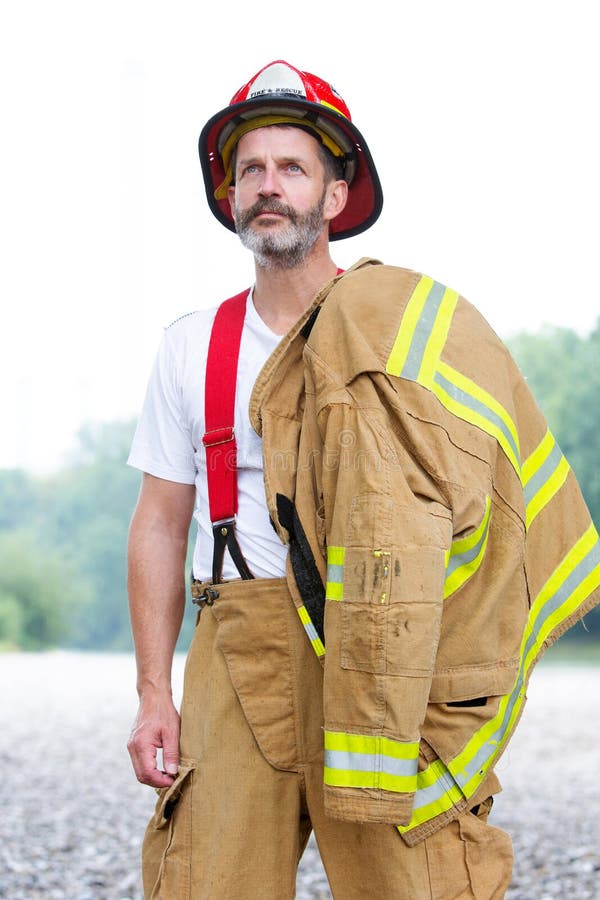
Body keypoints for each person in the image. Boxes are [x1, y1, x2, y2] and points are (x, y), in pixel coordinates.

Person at [126, 60, 600, 899]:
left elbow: (485, 481)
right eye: (251, 172)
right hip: (238, 646)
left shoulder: (404, 334)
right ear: (231, 197)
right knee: (208, 882)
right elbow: (162, 521)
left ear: (334, 197)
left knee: (412, 881)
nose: (269, 187)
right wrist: (153, 692)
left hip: (378, 643)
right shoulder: (191, 346)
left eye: (292, 168)